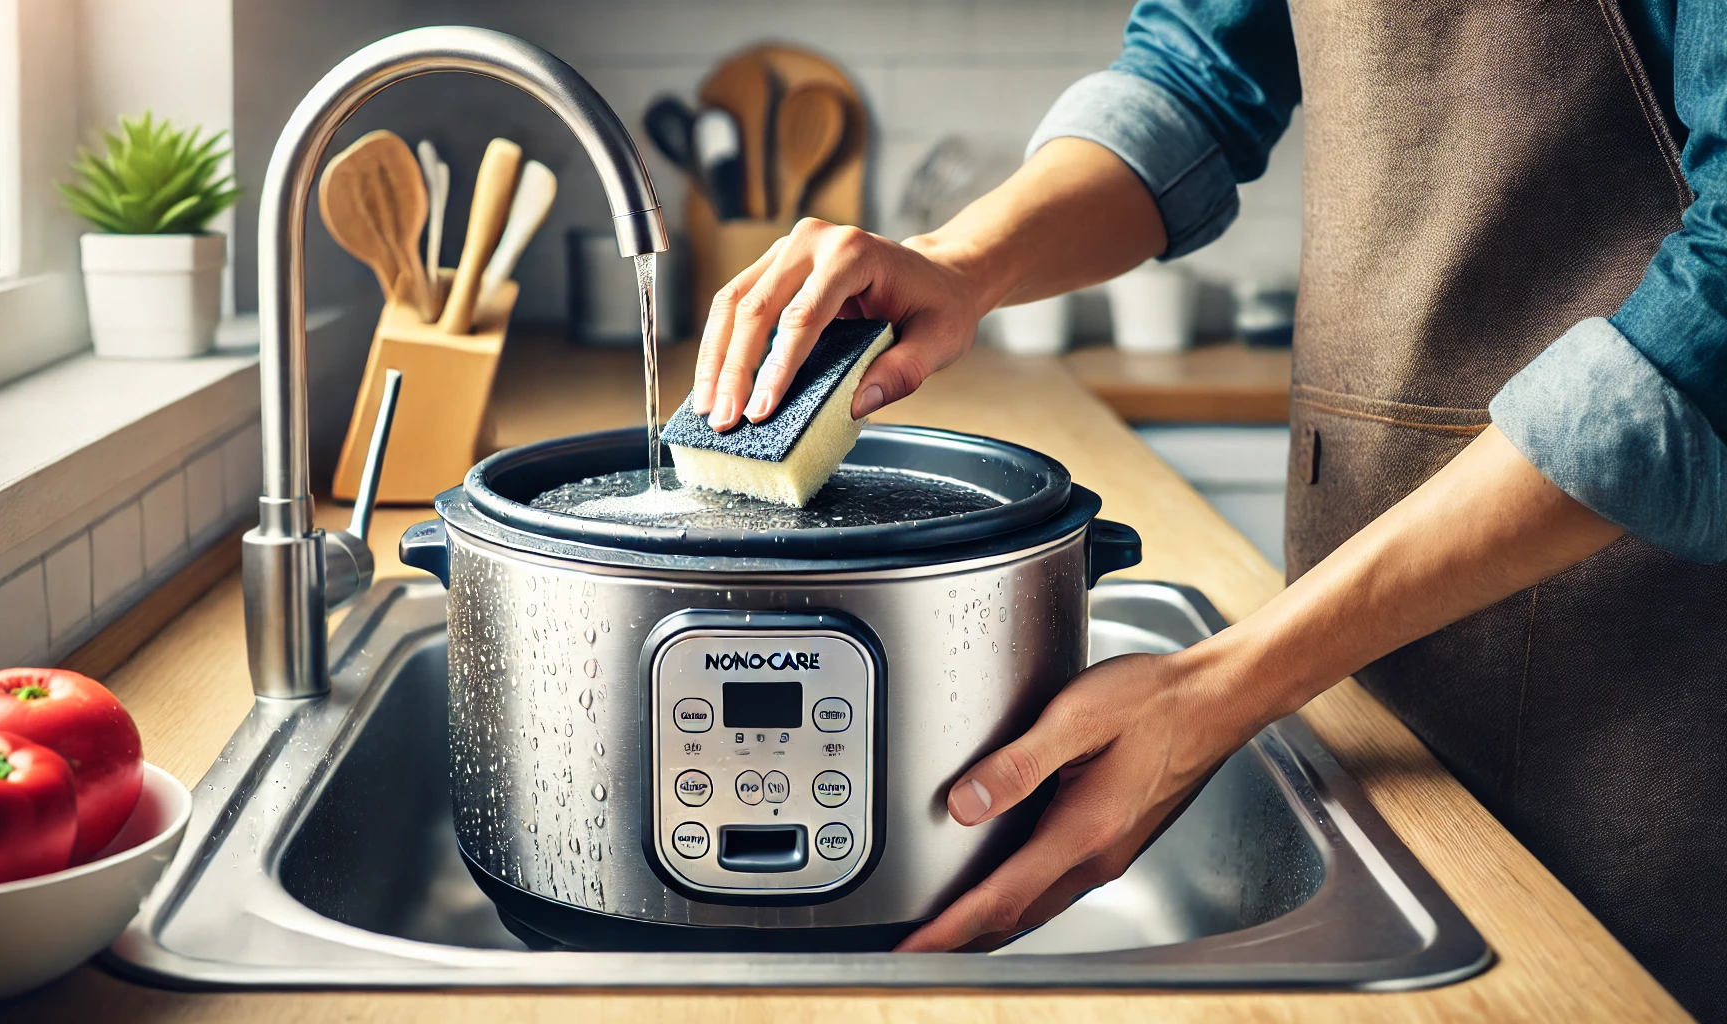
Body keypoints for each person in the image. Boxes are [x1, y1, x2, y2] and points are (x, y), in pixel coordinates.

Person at [687, 0, 1725, 1016]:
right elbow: (1194, 74)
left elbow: (1714, 303)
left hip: (1629, 665)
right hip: (1352, 649)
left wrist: (1220, 687)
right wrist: (963, 260)